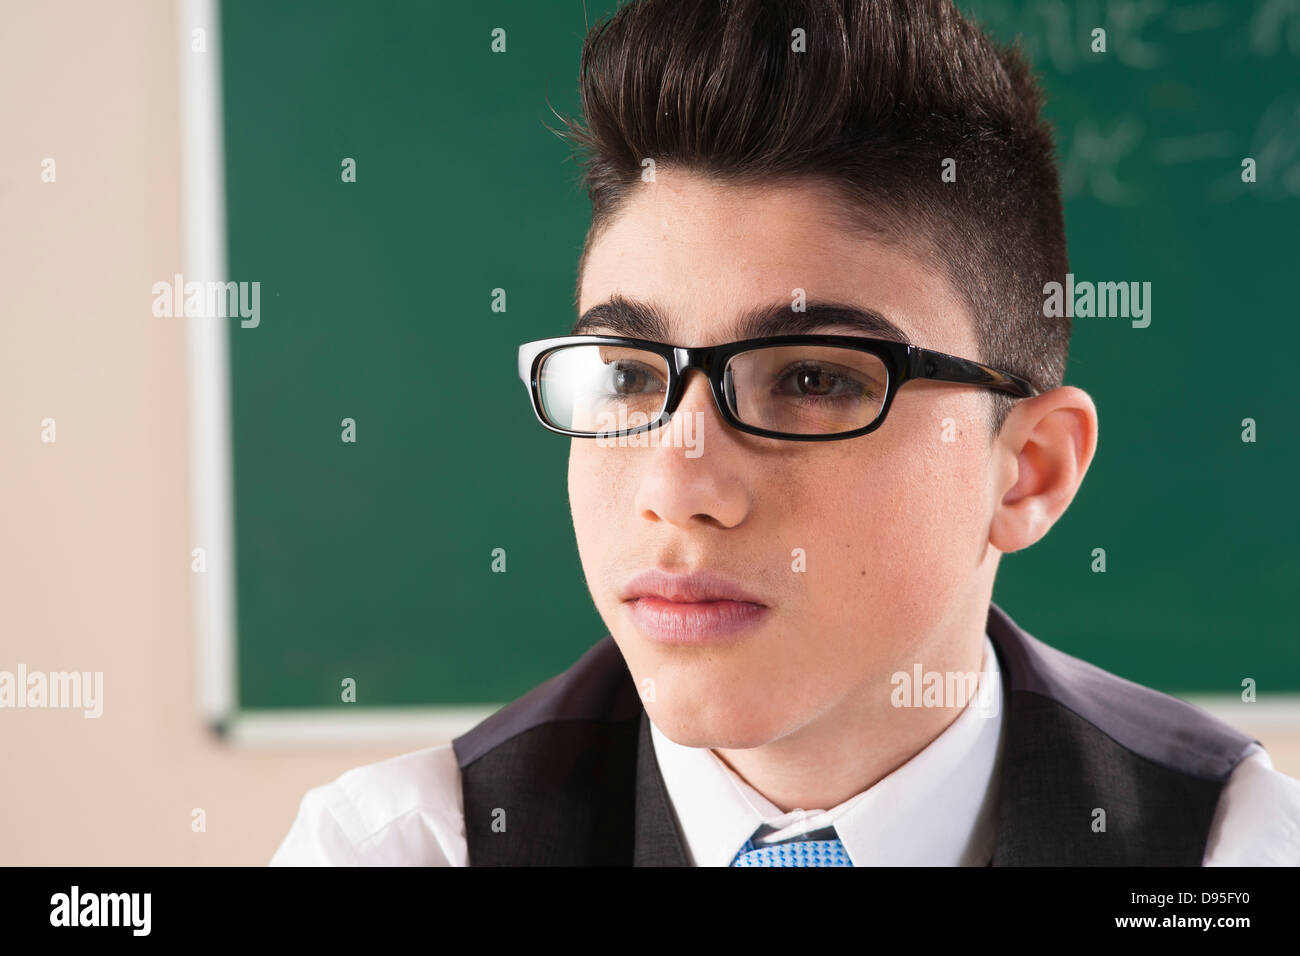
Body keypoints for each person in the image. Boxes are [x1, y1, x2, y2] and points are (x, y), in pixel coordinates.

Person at [270, 0, 1300, 866]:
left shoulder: (1231, 852)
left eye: (810, 378)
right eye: (630, 373)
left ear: (1025, 471)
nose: (677, 485)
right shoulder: (404, 849)